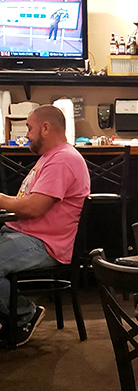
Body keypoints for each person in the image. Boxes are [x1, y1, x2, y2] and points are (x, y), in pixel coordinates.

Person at [0, 105, 90, 346]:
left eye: (29, 128)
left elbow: (33, 207)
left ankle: (24, 315)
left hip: (45, 244)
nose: (27, 134)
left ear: (46, 128)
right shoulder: (50, 158)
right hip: (27, 235)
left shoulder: (62, 160)